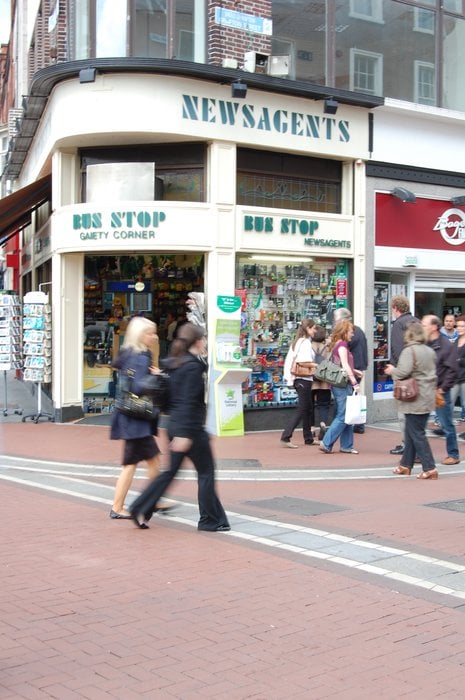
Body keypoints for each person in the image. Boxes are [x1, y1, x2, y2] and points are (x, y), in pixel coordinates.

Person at [129, 323, 230, 532]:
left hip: (175, 425)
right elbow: (187, 401)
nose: (204, 343)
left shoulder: (174, 363)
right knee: (206, 473)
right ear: (197, 341)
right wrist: (185, 434)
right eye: (203, 339)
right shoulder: (191, 367)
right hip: (189, 429)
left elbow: (169, 399)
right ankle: (210, 519)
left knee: (170, 473)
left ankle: (140, 507)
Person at [109, 317, 165, 519]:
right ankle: (117, 507)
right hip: (135, 419)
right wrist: (158, 376)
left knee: (153, 459)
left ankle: (155, 499)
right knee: (131, 464)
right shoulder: (140, 357)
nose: (155, 336)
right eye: (150, 332)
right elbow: (138, 387)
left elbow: (118, 367)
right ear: (140, 335)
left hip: (131, 417)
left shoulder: (130, 353)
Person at [385, 323, 438, 479]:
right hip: (427, 395)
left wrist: (391, 370)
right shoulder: (430, 351)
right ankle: (405, 465)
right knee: (410, 432)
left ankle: (430, 468)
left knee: (416, 433)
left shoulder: (409, 351)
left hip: (414, 397)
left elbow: (402, 372)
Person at [318, 319, 363, 455]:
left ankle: (346, 445)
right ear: (344, 332)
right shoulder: (342, 345)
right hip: (343, 384)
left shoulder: (336, 344)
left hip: (339, 383)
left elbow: (340, 364)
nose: (352, 334)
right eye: (350, 332)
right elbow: (344, 364)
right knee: (343, 415)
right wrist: (355, 382)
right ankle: (326, 442)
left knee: (348, 415)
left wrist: (354, 371)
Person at [421, 314, 461, 466]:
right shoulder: (425, 344)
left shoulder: (446, 345)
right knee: (419, 425)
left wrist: (443, 388)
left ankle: (453, 454)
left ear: (434, 327)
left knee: (446, 424)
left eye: (425, 325)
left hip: (439, 391)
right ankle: (419, 453)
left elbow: (453, 370)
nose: (422, 328)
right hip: (425, 389)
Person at [280, 319, 318, 448]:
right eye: (313, 328)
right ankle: (286, 436)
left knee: (308, 408)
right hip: (303, 379)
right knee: (303, 408)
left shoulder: (297, 342)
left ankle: (308, 438)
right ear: (308, 328)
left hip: (298, 379)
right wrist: (316, 365)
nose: (315, 331)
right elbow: (303, 362)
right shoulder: (305, 342)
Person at [389, 295, 418, 456]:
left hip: (404, 374)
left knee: (403, 412)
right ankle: (413, 444)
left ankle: (407, 445)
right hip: (417, 374)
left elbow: (398, 349)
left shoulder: (398, 324)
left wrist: (396, 370)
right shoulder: (416, 321)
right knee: (414, 413)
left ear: (395, 308)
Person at [333, 307, 368, 434]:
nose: (335, 324)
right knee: (352, 397)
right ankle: (357, 424)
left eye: (336, 321)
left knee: (346, 401)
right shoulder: (359, 331)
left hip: (353, 368)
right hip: (359, 366)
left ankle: (343, 426)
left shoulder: (349, 333)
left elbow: (344, 355)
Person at [310, 325, 332, 441]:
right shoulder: (328, 347)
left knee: (311, 405)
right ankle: (323, 425)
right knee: (323, 404)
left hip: (311, 378)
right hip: (324, 378)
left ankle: (312, 428)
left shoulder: (309, 346)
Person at [452, 315, 465, 433]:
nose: (459, 328)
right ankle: (447, 428)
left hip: (464, 378)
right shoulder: (455, 341)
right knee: (449, 403)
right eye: (458, 326)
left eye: (462, 326)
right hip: (456, 378)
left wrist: (459, 360)